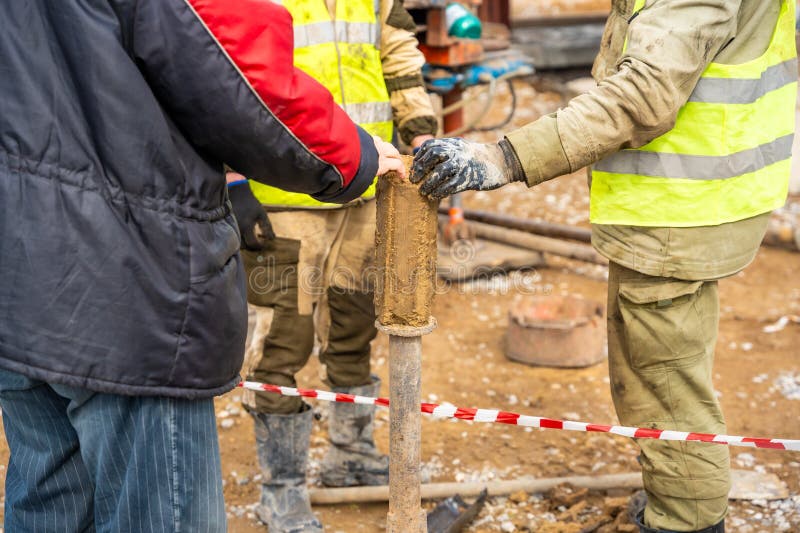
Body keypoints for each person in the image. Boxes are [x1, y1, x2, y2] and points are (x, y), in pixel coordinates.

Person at [0, 1, 405, 531]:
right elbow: (236, 72)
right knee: (159, 509)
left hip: (20, 265)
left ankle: (350, 452)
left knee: (51, 497)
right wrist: (354, 153)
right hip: (128, 284)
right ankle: (283, 487)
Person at [411, 1, 795, 532]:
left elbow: (643, 94)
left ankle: (685, 520)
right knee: (657, 370)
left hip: (679, 208)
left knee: (663, 386)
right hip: (696, 200)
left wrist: (502, 158)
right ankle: (675, 498)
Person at [227, 0, 438, 529]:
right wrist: (231, 179)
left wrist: (420, 132)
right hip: (284, 193)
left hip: (367, 183)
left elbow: (397, 50)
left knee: (354, 324)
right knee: (284, 341)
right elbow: (216, 70)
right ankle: (282, 489)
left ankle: (350, 455)